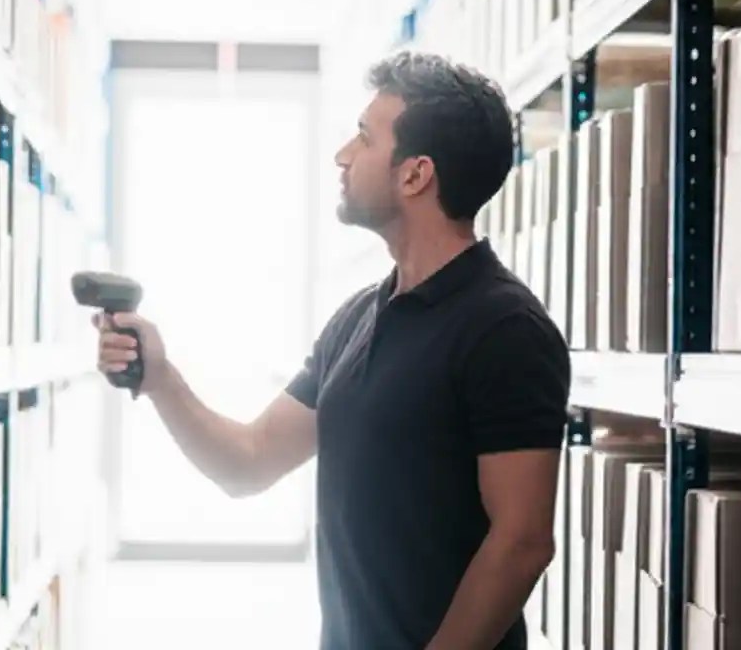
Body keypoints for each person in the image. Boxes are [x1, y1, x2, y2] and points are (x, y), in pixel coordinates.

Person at [94, 51, 572, 650]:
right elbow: (249, 461)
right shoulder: (357, 319)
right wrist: (160, 378)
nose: (343, 154)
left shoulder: (505, 328)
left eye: (365, 138)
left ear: (415, 174)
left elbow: (523, 540)